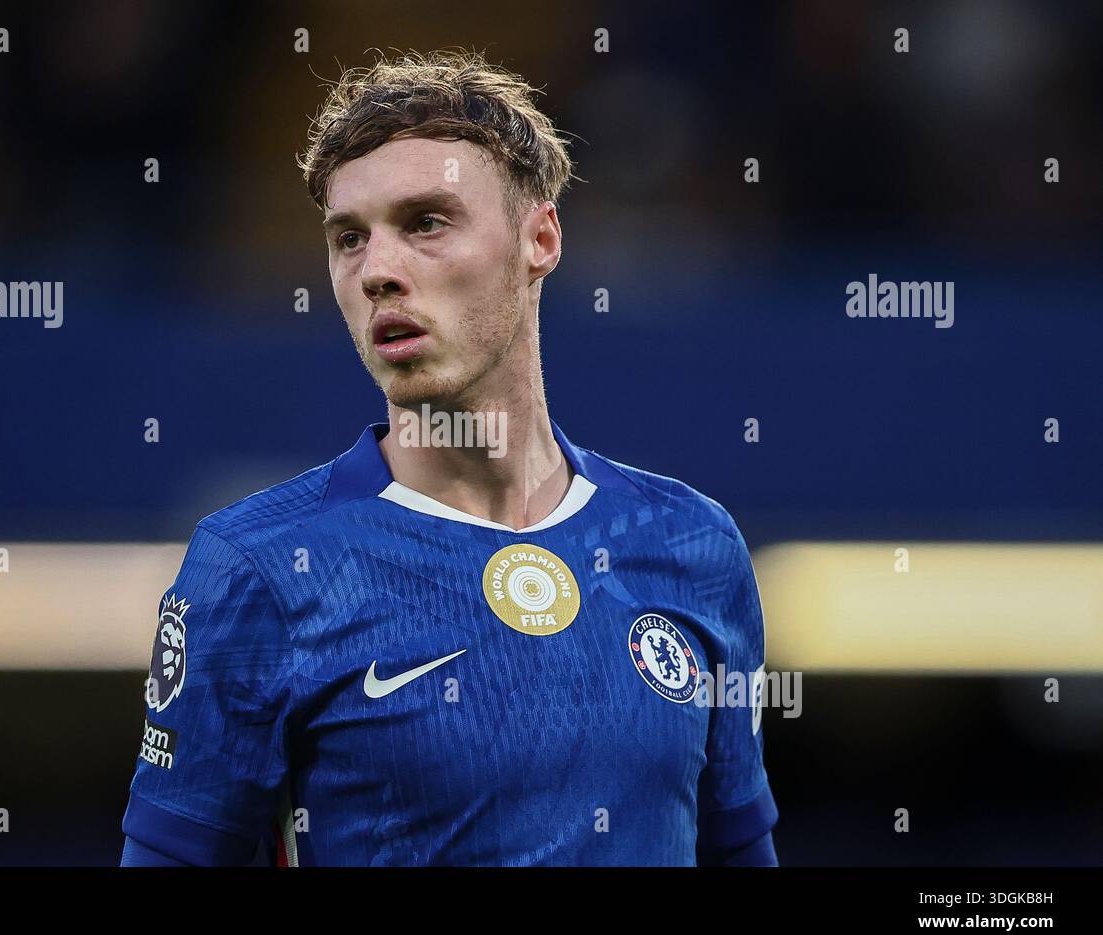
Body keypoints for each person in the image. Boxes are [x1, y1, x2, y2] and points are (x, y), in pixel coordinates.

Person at [120, 49, 777, 866]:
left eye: (426, 222)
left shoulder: (694, 545)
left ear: (540, 238)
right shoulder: (253, 569)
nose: (378, 273)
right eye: (348, 239)